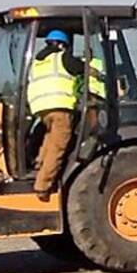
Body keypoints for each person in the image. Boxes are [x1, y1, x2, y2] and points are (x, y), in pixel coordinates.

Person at [27, 30, 84, 200]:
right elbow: (81, 69)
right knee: (59, 146)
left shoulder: (37, 62)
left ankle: (39, 163)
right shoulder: (61, 58)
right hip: (60, 106)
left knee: (50, 138)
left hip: (42, 109)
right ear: (61, 45)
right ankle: (42, 186)